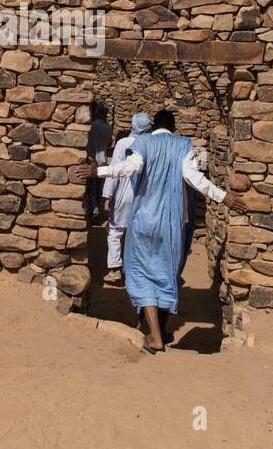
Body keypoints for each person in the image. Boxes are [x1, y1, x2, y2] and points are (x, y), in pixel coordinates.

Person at [71, 110, 246, 354]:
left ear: (154, 127)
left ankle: (154, 334)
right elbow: (192, 177)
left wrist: (97, 172)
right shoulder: (183, 144)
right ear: (173, 127)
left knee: (141, 274)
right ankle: (161, 329)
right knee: (166, 275)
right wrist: (223, 196)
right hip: (172, 225)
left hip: (143, 221)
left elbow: (129, 168)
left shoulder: (143, 142)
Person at [100, 112, 153, 286]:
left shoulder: (123, 143)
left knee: (115, 231)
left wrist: (108, 194)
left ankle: (114, 269)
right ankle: (136, 271)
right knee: (137, 233)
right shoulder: (152, 143)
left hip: (124, 192)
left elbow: (114, 170)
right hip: (145, 194)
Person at [84, 103, 112, 222]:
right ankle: (96, 209)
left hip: (91, 160)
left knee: (90, 186)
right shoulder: (108, 128)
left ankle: (92, 209)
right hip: (102, 162)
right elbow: (109, 143)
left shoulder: (91, 126)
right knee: (99, 187)